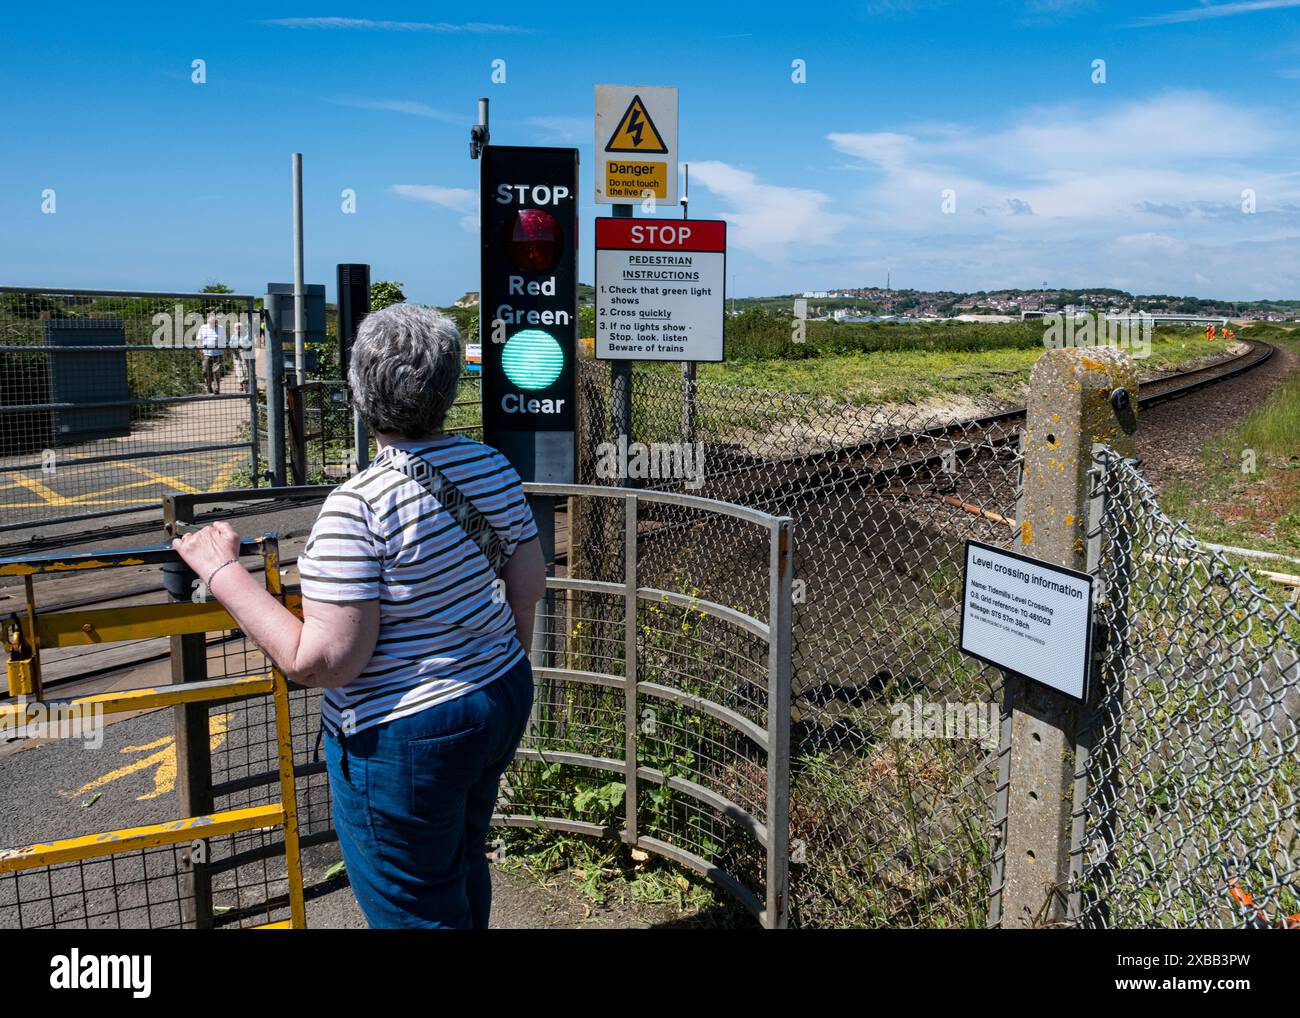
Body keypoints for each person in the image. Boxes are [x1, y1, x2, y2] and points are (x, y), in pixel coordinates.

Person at [172, 304, 546, 928]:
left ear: (358, 391)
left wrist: (220, 571)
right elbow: (528, 585)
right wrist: (497, 674)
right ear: (451, 386)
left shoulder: (359, 506)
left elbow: (322, 661)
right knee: (460, 862)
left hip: (407, 735)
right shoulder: (491, 464)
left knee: (415, 912)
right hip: (501, 694)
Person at [196, 312, 226, 393]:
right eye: (211, 319)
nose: (213, 321)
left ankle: (216, 389)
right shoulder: (203, 327)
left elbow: (224, 341)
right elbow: (199, 340)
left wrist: (226, 351)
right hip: (206, 354)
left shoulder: (220, 328)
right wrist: (200, 351)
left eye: (214, 319)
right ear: (208, 319)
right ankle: (209, 388)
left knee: (216, 372)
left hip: (218, 354)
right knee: (206, 372)